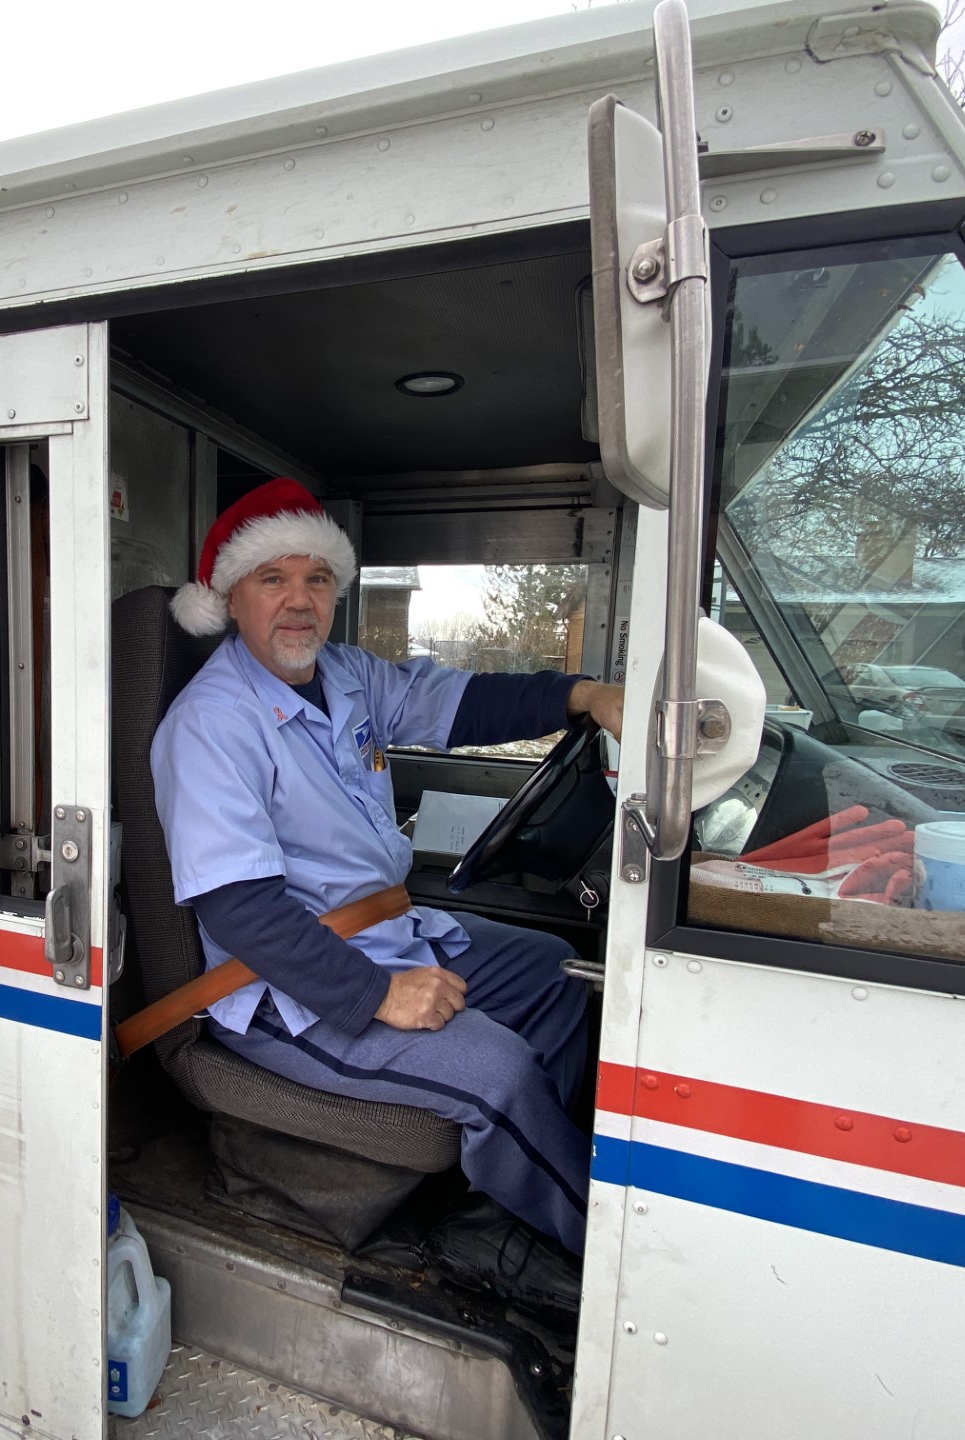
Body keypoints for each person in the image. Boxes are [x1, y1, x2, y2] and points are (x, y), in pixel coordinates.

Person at [151, 478, 625, 1255]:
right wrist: (380, 995)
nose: (298, 600)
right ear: (231, 598)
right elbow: (239, 911)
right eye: (274, 579)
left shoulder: (346, 676)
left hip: (387, 928)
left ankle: (509, 1207)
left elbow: (464, 703)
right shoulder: (210, 724)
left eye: (317, 579)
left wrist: (584, 693)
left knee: (557, 974)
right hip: (286, 988)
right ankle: (601, 1261)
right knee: (498, 1070)